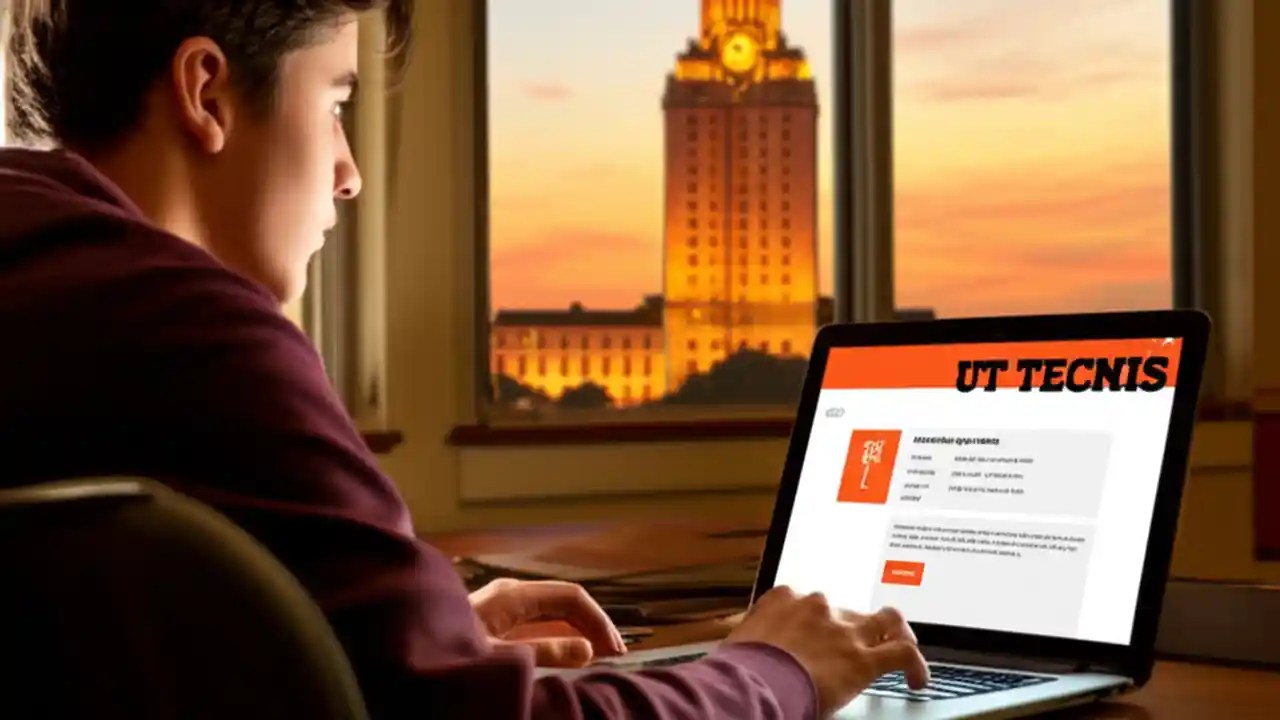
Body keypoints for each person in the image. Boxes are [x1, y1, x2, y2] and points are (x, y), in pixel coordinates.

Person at [0, 1, 929, 718]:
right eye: (336, 104)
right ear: (206, 92)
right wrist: (775, 669)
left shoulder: (47, 273)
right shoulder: (194, 334)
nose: (350, 171)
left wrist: (391, 627)